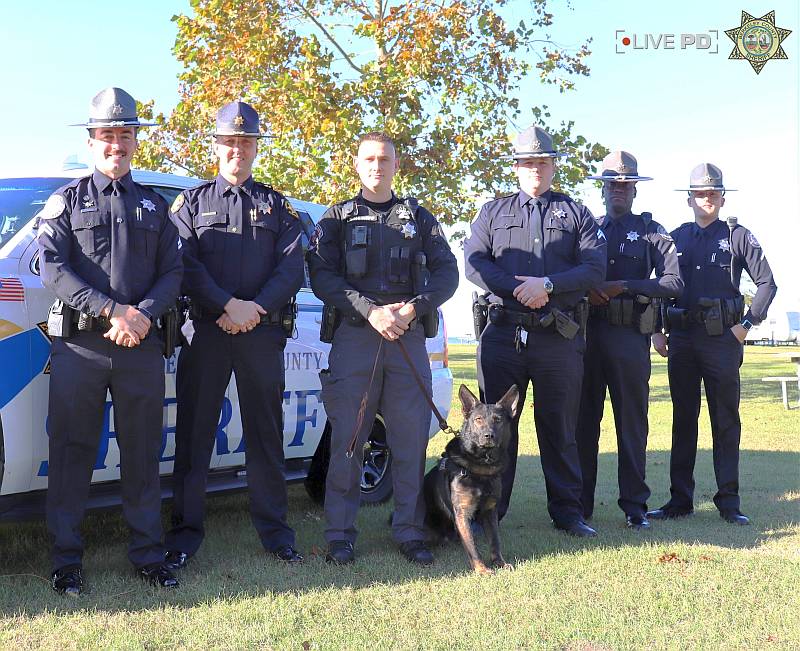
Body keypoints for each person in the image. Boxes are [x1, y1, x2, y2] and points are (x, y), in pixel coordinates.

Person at [37, 87, 183, 596]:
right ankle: (66, 560)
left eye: (125, 135)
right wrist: (110, 310)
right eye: (107, 135)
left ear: (135, 141)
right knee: (73, 451)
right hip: (81, 347)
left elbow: (173, 271)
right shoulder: (67, 201)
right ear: (92, 140)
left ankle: (148, 555)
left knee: (143, 452)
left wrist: (140, 315)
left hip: (139, 347)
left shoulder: (154, 207)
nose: (115, 144)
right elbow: (52, 267)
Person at [307, 132, 458, 565]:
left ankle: (410, 531)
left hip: (407, 338)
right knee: (349, 439)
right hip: (355, 337)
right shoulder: (336, 219)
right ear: (357, 164)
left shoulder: (419, 218)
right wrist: (370, 310)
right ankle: (339, 534)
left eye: (385, 159)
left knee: (409, 441)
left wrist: (413, 309)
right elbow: (322, 277)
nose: (377, 165)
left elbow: (447, 273)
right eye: (369, 159)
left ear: (396, 164)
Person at [164, 101, 304, 568]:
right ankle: (184, 534)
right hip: (207, 332)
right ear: (216, 146)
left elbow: (291, 268)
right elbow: (183, 265)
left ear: (255, 148)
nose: (237, 150)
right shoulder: (191, 204)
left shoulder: (278, 206)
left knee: (267, 436)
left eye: (246, 143)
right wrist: (228, 306)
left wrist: (253, 309)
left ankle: (276, 532)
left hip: (260, 333)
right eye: (230, 142)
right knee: (194, 434)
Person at [464, 125, 606, 537]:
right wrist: (517, 288)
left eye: (542, 162)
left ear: (553, 166)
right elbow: (474, 262)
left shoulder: (576, 213)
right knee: (494, 428)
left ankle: (567, 513)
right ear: (516, 167)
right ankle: (491, 511)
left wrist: (547, 286)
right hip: (503, 334)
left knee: (560, 426)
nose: (535, 170)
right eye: (528, 162)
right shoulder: (493, 212)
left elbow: (595, 266)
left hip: (556, 338)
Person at [648, 163, 777, 525]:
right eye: (699, 193)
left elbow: (767, 284)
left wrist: (747, 325)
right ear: (689, 198)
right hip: (683, 341)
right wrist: (657, 329)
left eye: (712, 193)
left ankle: (729, 502)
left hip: (723, 340)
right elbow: (661, 286)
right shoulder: (675, 238)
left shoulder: (738, 236)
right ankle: (680, 500)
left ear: (722, 197)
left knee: (725, 421)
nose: (706, 198)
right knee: (683, 419)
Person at [575, 151, 683, 530]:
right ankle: (579, 505)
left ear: (635, 188)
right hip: (586, 336)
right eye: (611, 183)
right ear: (602, 188)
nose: (618, 189)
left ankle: (635, 506)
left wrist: (624, 285)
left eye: (625, 184)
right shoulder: (586, 227)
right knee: (582, 423)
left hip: (629, 338)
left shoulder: (651, 231)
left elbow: (673, 282)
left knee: (632, 425)